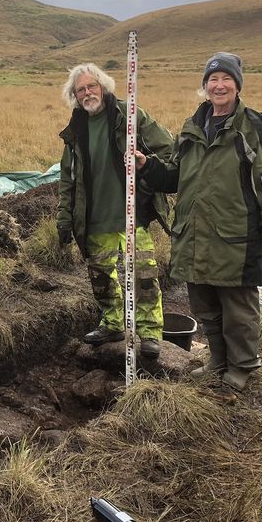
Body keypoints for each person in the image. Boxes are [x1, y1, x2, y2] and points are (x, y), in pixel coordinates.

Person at [136, 52, 262, 391]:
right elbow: (174, 177)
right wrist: (147, 165)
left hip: (235, 233)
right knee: (204, 303)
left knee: (238, 306)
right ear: (204, 86)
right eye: (213, 80)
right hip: (194, 233)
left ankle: (243, 367)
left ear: (236, 85)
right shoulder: (192, 127)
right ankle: (218, 361)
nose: (219, 86)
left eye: (226, 79)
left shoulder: (252, 128)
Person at [56, 63, 175, 359]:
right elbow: (67, 178)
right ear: (74, 95)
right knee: (101, 276)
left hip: (134, 212)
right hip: (94, 216)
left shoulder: (130, 115)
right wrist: (64, 217)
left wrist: (145, 162)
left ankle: (149, 333)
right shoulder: (76, 129)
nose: (87, 93)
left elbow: (169, 148)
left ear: (103, 87)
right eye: (80, 89)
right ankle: (112, 323)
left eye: (91, 86)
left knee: (144, 275)